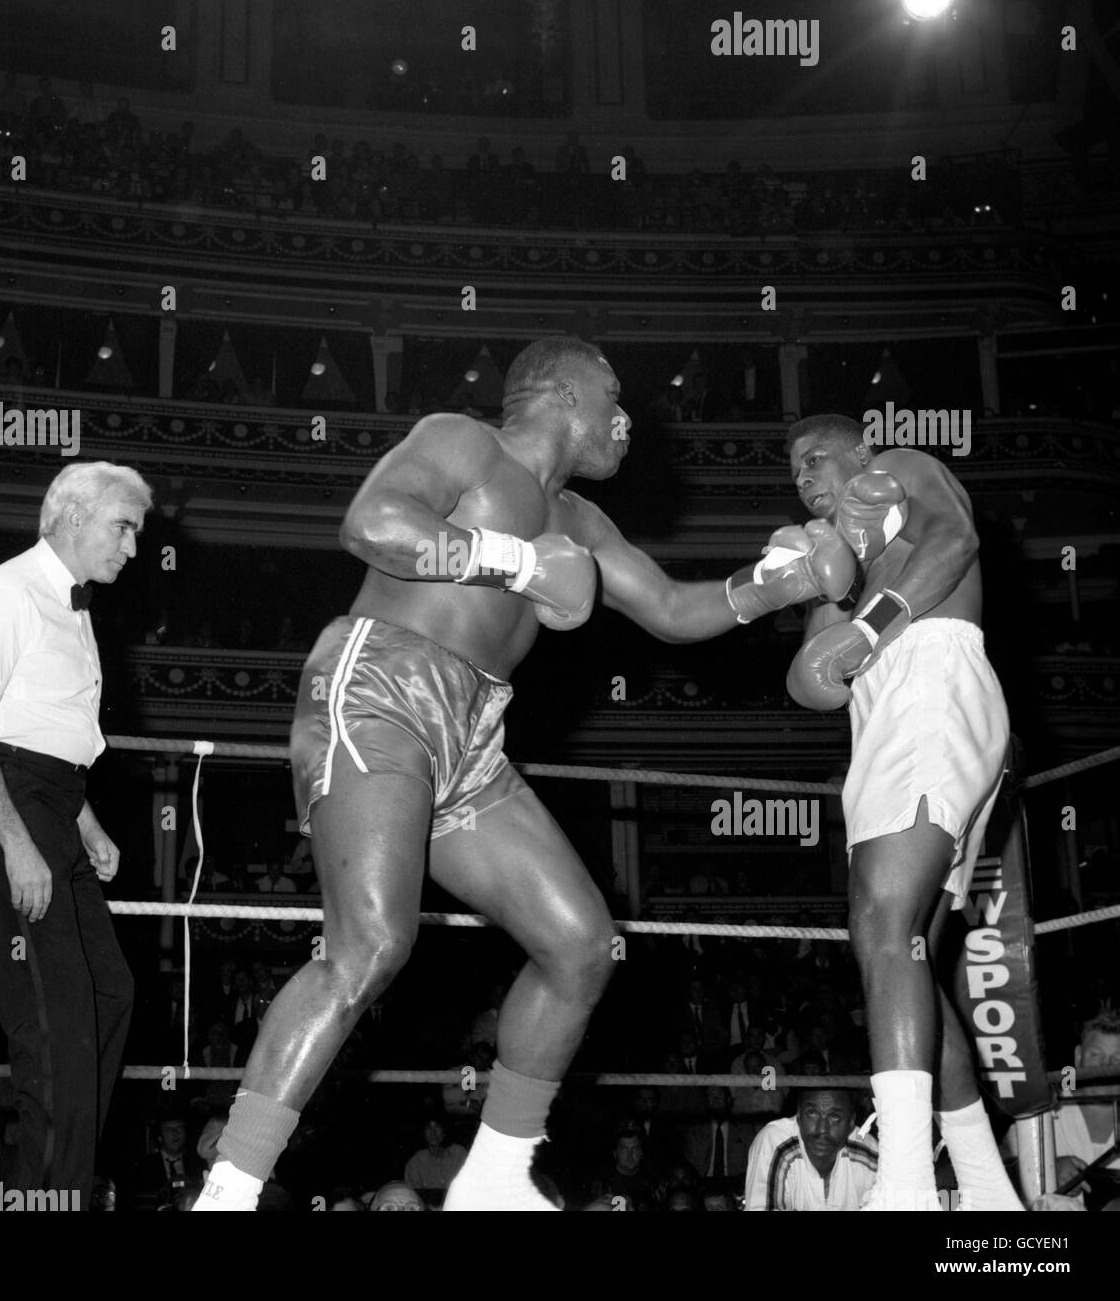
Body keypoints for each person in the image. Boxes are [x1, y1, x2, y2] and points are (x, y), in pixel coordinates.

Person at [195, 337, 854, 1211]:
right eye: (613, 394)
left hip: (473, 733)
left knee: (581, 944)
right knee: (371, 945)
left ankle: (496, 1178)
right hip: (382, 688)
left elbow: (669, 609)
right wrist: (514, 562)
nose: (629, 417)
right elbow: (374, 525)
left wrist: (774, 584)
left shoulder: (581, 521)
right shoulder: (464, 442)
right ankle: (229, 1190)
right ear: (563, 393)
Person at [785, 413, 1019, 1211]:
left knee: (881, 930)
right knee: (907, 951)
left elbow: (955, 542)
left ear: (861, 453)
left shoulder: (904, 464)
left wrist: (864, 628)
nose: (808, 477)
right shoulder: (847, 546)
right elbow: (816, 681)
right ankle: (990, 1196)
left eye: (818, 458)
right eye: (796, 472)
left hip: (932, 681)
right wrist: (828, 581)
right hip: (892, 714)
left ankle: (909, 1186)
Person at [0, 461, 152, 1207]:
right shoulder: (9, 594)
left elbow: (44, 727)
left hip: (50, 802)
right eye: (123, 526)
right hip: (7, 804)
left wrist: (84, 821)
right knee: (56, 1020)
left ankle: (47, 1188)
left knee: (109, 991)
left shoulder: (74, 607)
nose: (133, 546)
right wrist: (17, 843)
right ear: (71, 516)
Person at [1004, 1009, 1120, 1202]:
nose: (1105, 1066)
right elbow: (999, 1167)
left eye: (1117, 1059)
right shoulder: (1043, 1110)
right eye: (1096, 1055)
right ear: (1078, 1056)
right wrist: (1049, 1169)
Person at [745, 1087, 878, 1211]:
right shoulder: (775, 1143)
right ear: (798, 1116)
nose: (822, 1129)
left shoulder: (869, 1153)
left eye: (834, 1117)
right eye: (812, 1113)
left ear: (851, 1122)